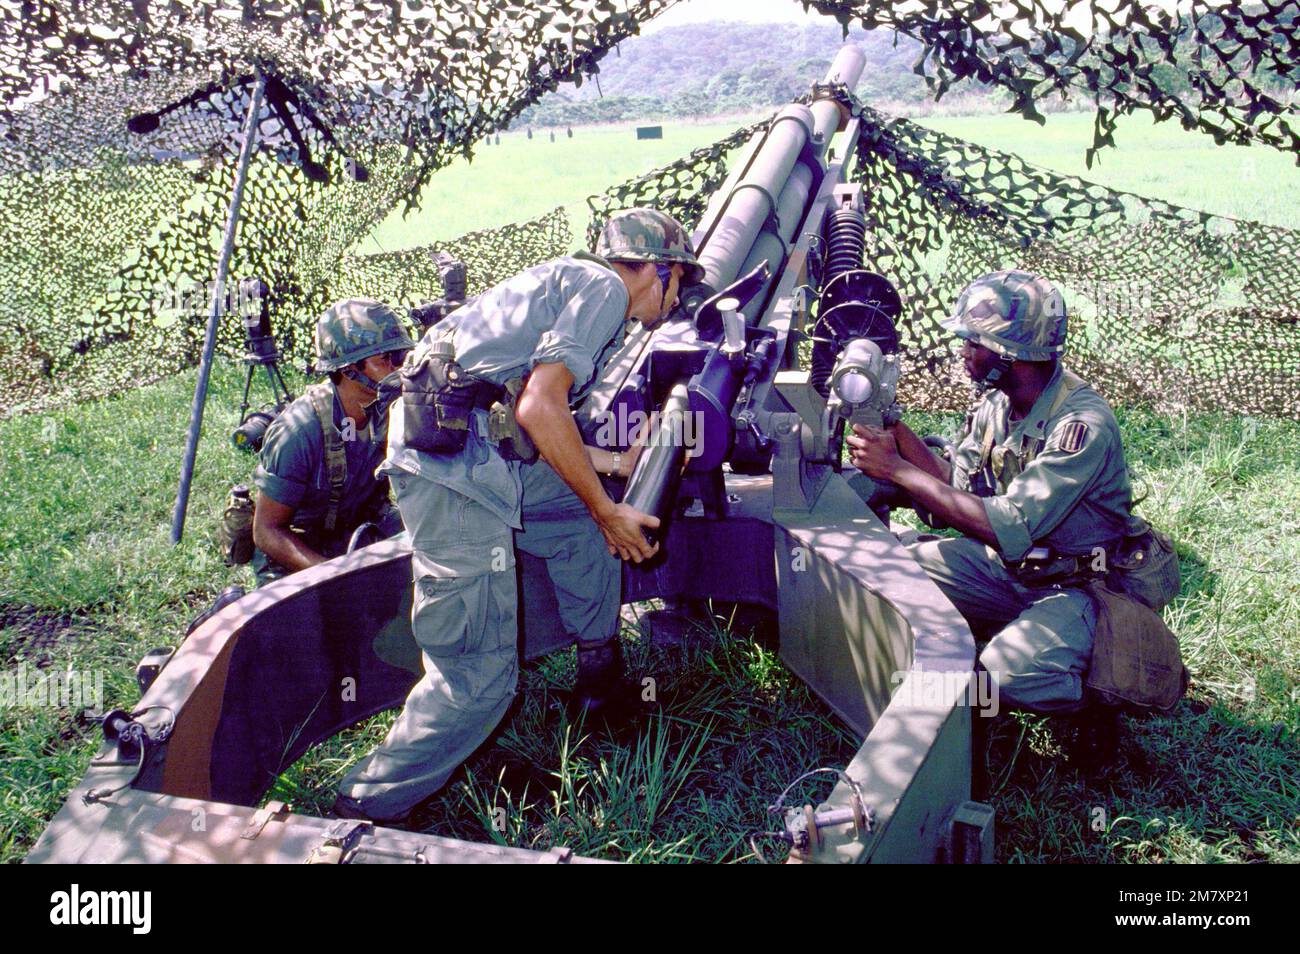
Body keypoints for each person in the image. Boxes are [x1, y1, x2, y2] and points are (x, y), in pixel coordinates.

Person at [334, 208, 703, 823]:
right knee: (479, 674)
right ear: (658, 270)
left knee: (577, 524)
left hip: (478, 450)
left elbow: (517, 418)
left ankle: (598, 686)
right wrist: (610, 509)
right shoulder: (606, 290)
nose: (677, 297)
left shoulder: (576, 283)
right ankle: (364, 807)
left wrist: (613, 464)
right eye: (679, 282)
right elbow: (538, 408)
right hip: (451, 472)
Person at [847, 270, 1145, 717]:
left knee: (1009, 674)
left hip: (1076, 586)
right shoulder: (997, 404)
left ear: (1012, 354)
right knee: (885, 574)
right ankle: (1004, 630)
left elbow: (1008, 527)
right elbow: (959, 491)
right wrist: (895, 428)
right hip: (1006, 569)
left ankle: (1100, 698)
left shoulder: (1082, 426)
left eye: (974, 342)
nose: (963, 352)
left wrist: (898, 470)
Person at [251, 298, 414, 587]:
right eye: (384, 360)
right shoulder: (299, 431)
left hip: (359, 531)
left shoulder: (390, 407)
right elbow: (267, 531)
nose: (397, 369)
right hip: (300, 549)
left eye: (399, 356)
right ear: (349, 369)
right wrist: (332, 575)